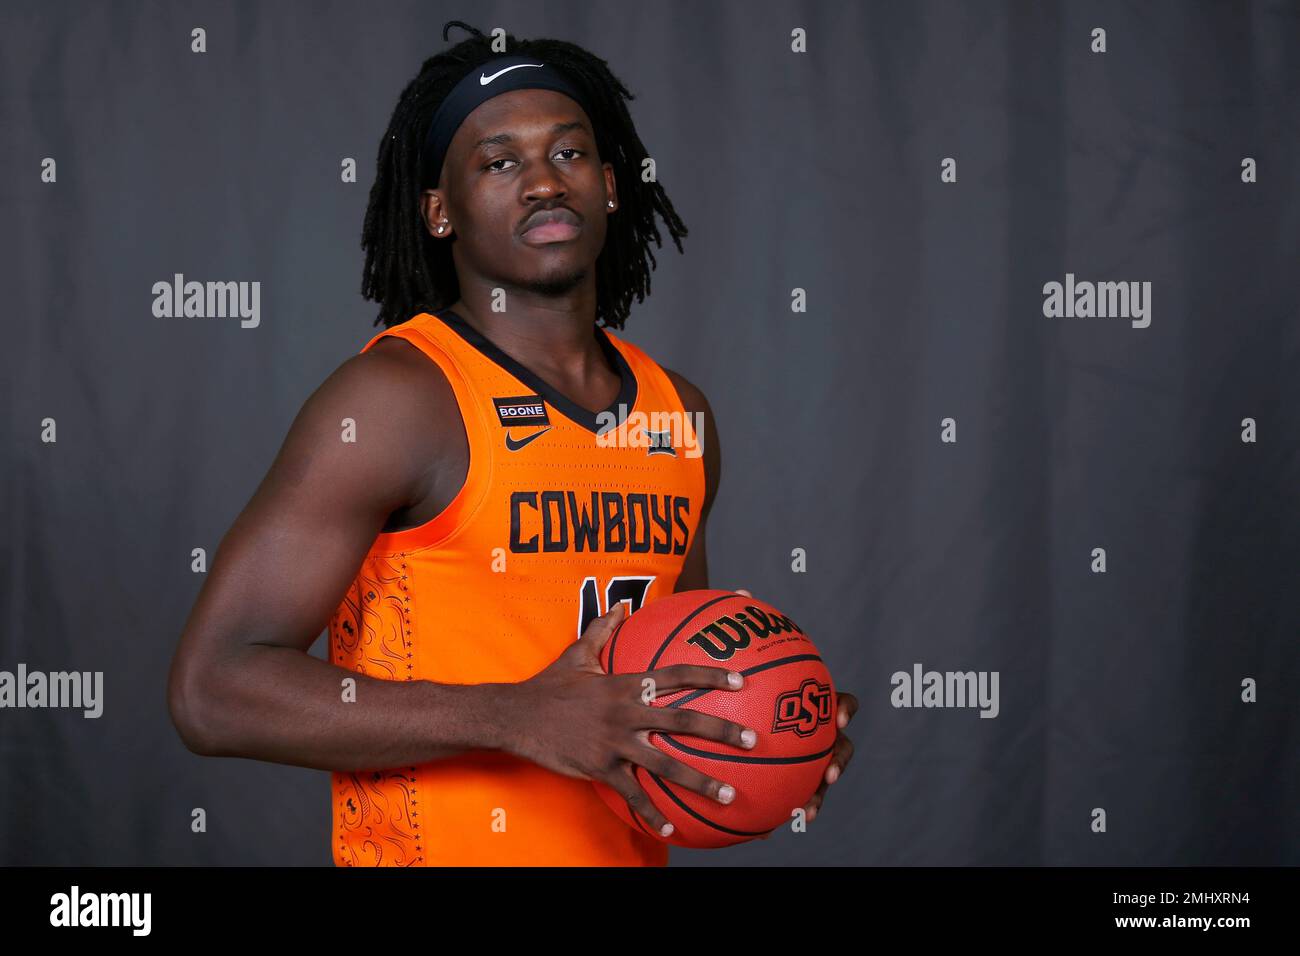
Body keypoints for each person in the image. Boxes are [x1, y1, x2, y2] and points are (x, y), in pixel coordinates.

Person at [166, 20, 857, 867]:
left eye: (568, 155)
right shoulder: (399, 399)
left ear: (609, 185)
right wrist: (511, 714)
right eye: (499, 162)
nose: (541, 183)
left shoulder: (682, 415)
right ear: (439, 211)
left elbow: (662, 703)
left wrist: (770, 736)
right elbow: (213, 690)